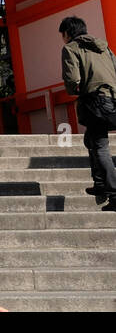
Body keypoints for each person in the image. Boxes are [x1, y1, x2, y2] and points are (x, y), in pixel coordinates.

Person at [59, 16, 116, 211]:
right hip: (113, 100)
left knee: (100, 146)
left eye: (62, 34)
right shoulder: (104, 47)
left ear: (67, 33)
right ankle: (100, 183)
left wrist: (75, 90)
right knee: (90, 140)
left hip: (95, 102)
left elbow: (73, 80)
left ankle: (114, 193)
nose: (62, 38)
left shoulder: (70, 49)